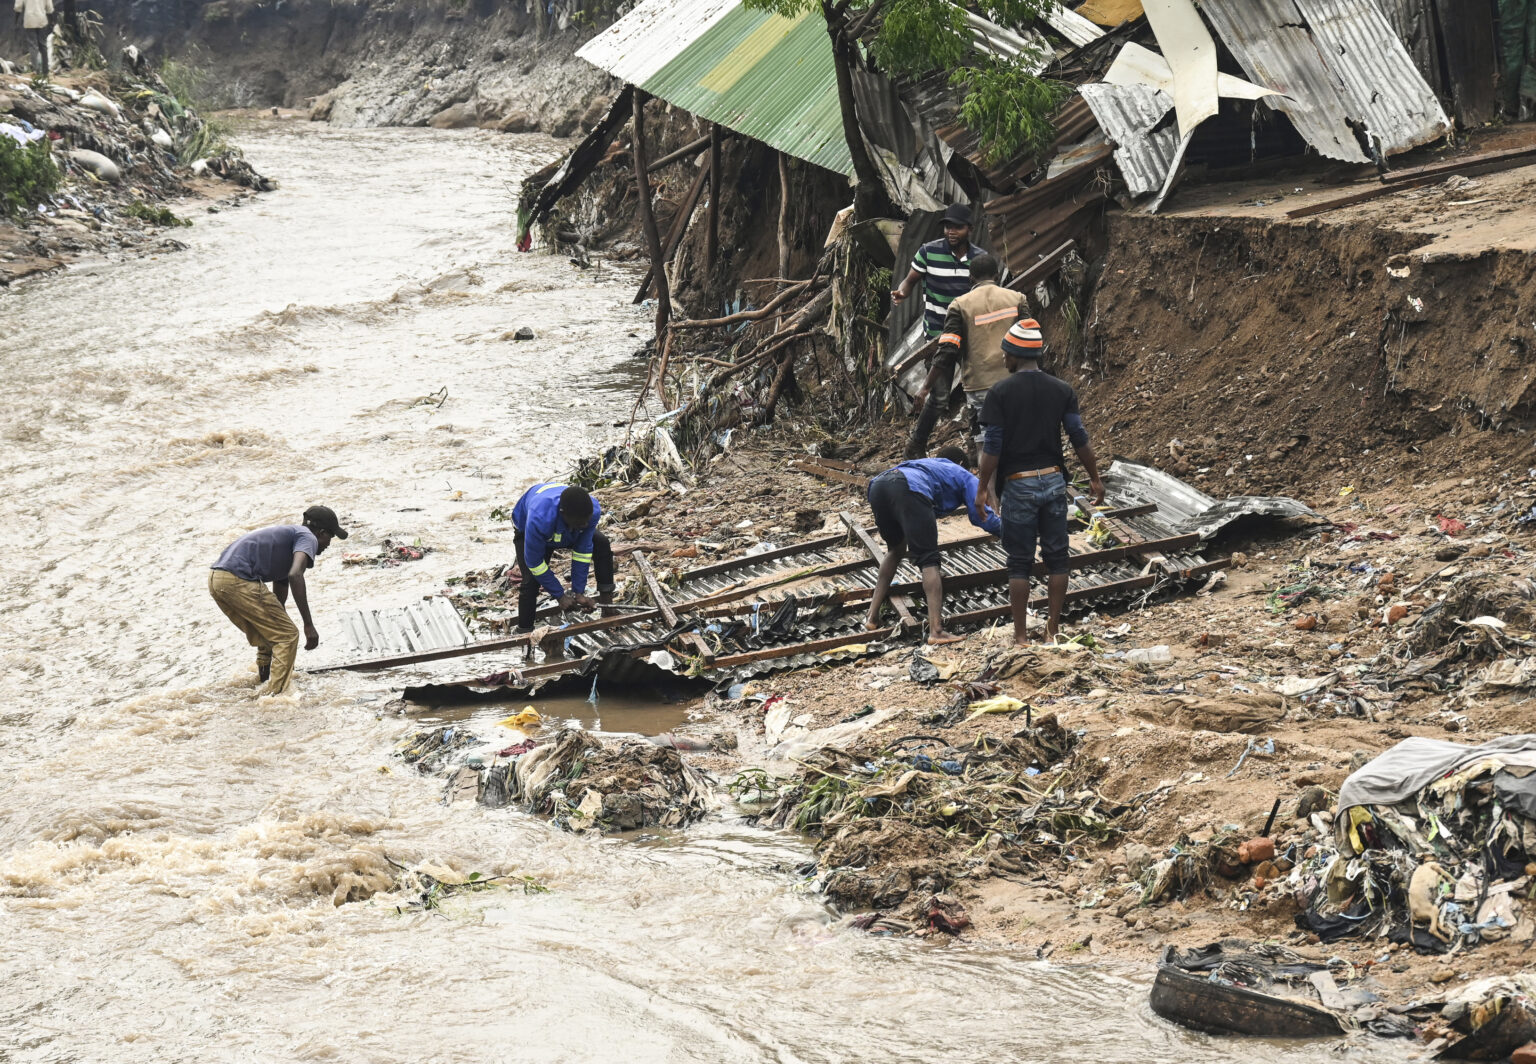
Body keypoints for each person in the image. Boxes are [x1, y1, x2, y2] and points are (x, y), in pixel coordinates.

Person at [976, 320, 1104, 646]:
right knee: (1057, 557)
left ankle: (1020, 636)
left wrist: (982, 489)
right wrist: (1094, 477)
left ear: (1015, 355)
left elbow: (992, 448)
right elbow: (1079, 437)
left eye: (1005, 353)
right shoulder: (1061, 390)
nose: (1003, 359)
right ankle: (1053, 630)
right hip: (1053, 482)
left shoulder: (1000, 393)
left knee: (1019, 563)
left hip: (1018, 484)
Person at [863, 446, 1002, 646]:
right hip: (909, 488)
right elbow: (981, 516)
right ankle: (936, 630)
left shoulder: (927, 465)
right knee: (929, 559)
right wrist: (1008, 531)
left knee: (895, 549)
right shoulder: (962, 473)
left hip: (879, 486)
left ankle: (871, 617)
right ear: (962, 463)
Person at [209, 505, 347, 694]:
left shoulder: (290, 536)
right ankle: (275, 696)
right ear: (321, 532)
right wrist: (308, 625)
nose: (328, 544)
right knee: (287, 636)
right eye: (329, 538)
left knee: (272, 632)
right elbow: (295, 575)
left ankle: (264, 679)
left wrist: (278, 613)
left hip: (218, 580)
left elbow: (282, 581)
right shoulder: (307, 537)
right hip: (238, 580)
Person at [908, 253, 1028, 458]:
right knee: (1020, 435)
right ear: (997, 276)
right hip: (1015, 381)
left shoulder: (959, 305)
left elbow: (947, 350)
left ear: (970, 278)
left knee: (987, 443)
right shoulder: (1017, 299)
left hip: (980, 385)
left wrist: (926, 386)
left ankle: (988, 488)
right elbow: (1030, 339)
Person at [892, 205, 985, 458]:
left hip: (970, 337)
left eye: (957, 227)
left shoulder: (979, 260)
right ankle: (916, 445)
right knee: (940, 396)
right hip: (936, 337)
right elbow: (910, 280)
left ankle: (976, 448)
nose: (951, 232)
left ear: (970, 229)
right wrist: (902, 293)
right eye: (948, 227)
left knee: (976, 393)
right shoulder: (929, 252)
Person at [511, 482, 614, 633]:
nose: (585, 525)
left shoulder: (591, 512)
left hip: (568, 527)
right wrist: (559, 595)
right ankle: (524, 633)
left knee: (602, 544)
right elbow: (534, 563)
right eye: (581, 523)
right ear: (563, 513)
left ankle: (608, 609)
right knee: (531, 581)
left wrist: (578, 592)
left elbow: (582, 552)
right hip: (529, 526)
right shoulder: (539, 518)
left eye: (587, 521)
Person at [14, 0, 53, 76]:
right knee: (43, 46)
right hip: (42, 20)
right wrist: (51, 21)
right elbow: (49, 8)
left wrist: (16, 22)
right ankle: (45, 71)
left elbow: (18, 7)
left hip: (30, 20)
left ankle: (36, 71)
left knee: (33, 46)